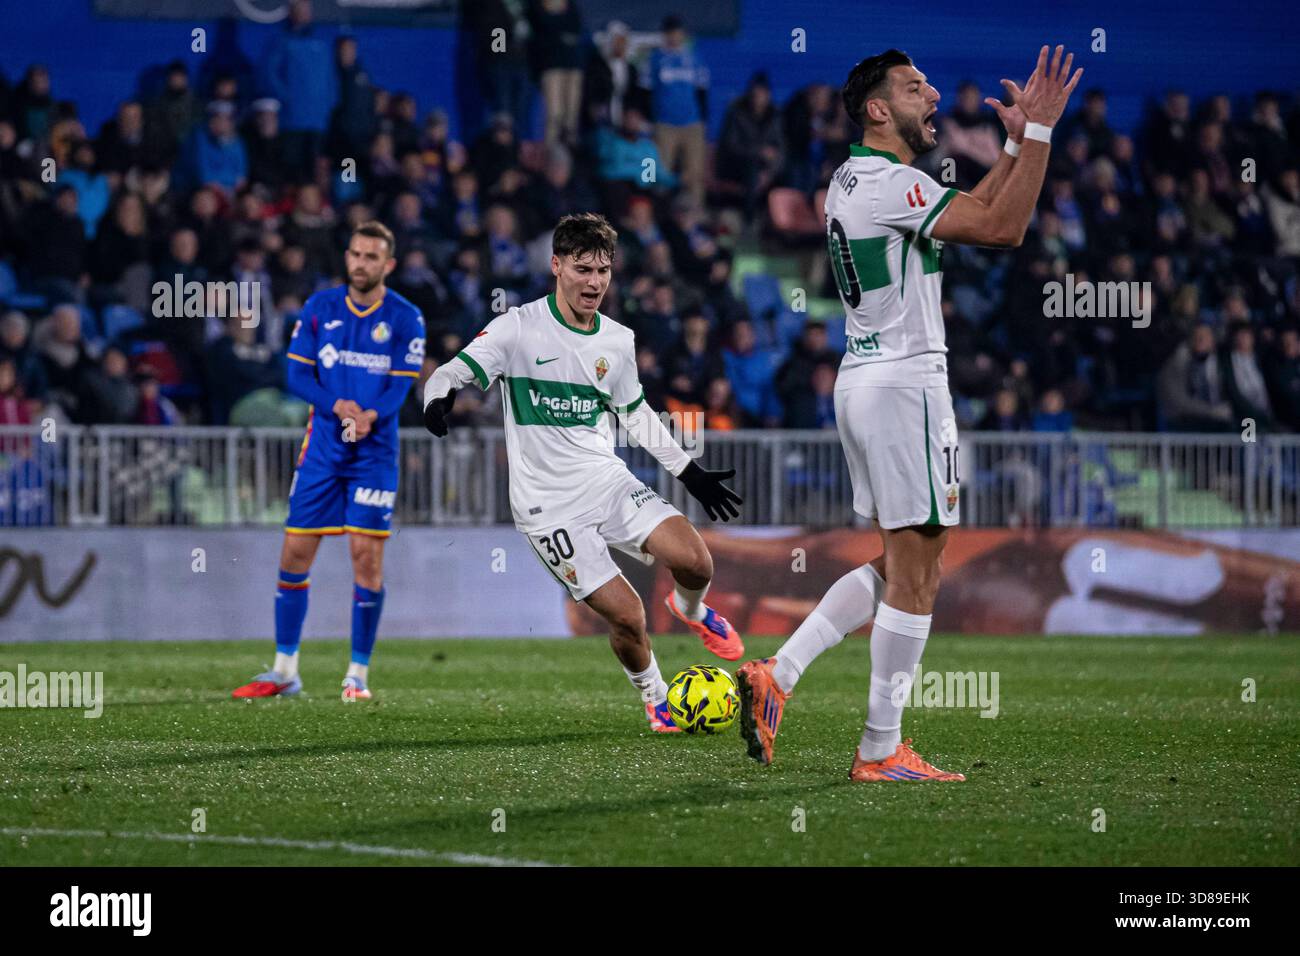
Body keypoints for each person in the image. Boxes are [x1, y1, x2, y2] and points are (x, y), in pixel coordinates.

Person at [735, 45, 1081, 782]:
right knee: (920, 571)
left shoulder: (853, 181)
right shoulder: (891, 184)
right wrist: (1044, 135)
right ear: (877, 109)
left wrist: (1015, 142)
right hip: (905, 387)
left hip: (868, 379)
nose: (933, 96)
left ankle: (780, 675)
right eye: (915, 86)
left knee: (901, 561)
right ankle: (879, 749)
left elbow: (978, 208)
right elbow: (1001, 227)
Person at [421, 213, 744, 732]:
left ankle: (694, 611)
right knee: (628, 615)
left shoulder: (617, 340)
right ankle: (657, 699)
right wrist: (438, 398)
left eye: (603, 270)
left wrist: (690, 473)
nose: (594, 282)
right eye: (582, 269)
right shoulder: (518, 328)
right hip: (547, 508)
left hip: (605, 481)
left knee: (697, 562)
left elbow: (635, 413)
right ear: (556, 266)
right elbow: (449, 371)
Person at [232, 221, 424, 702]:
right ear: (348, 256)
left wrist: (369, 415)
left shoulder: (405, 318)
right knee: (294, 555)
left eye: (371, 257)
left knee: (366, 559)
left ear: (388, 265)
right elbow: (296, 375)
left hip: (373, 454)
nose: (361, 263)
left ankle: (356, 675)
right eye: (355, 254)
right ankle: (284, 671)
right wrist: (339, 408)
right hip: (322, 450)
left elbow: (400, 385)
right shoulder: (319, 308)